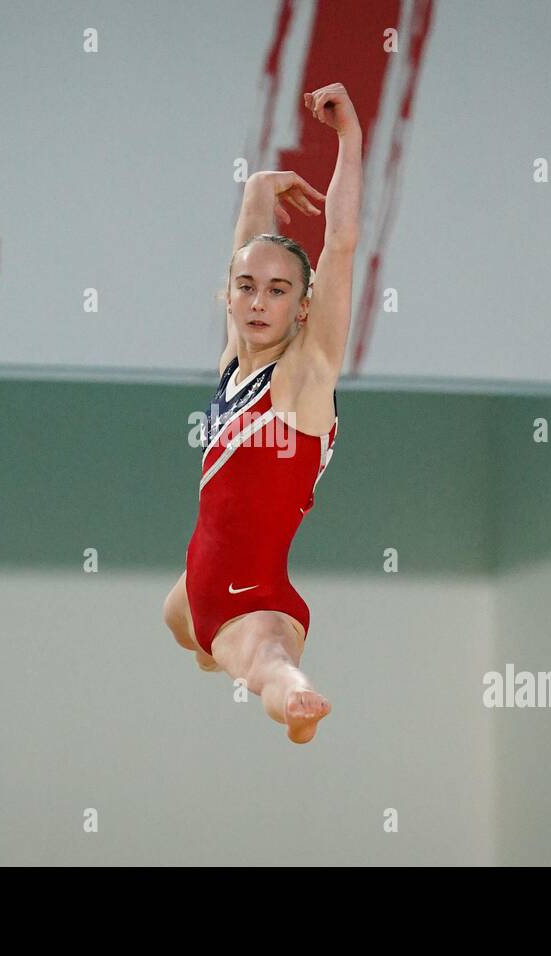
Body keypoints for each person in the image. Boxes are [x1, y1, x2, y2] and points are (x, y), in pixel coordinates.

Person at [162, 83, 362, 743]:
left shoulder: (304, 377)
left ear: (302, 308)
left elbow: (341, 247)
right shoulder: (232, 365)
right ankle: (212, 653)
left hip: (254, 603)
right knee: (183, 624)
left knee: (272, 665)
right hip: (194, 592)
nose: (257, 302)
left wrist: (349, 139)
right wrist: (256, 187)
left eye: (278, 292)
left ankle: (300, 706)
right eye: (246, 288)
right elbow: (245, 249)